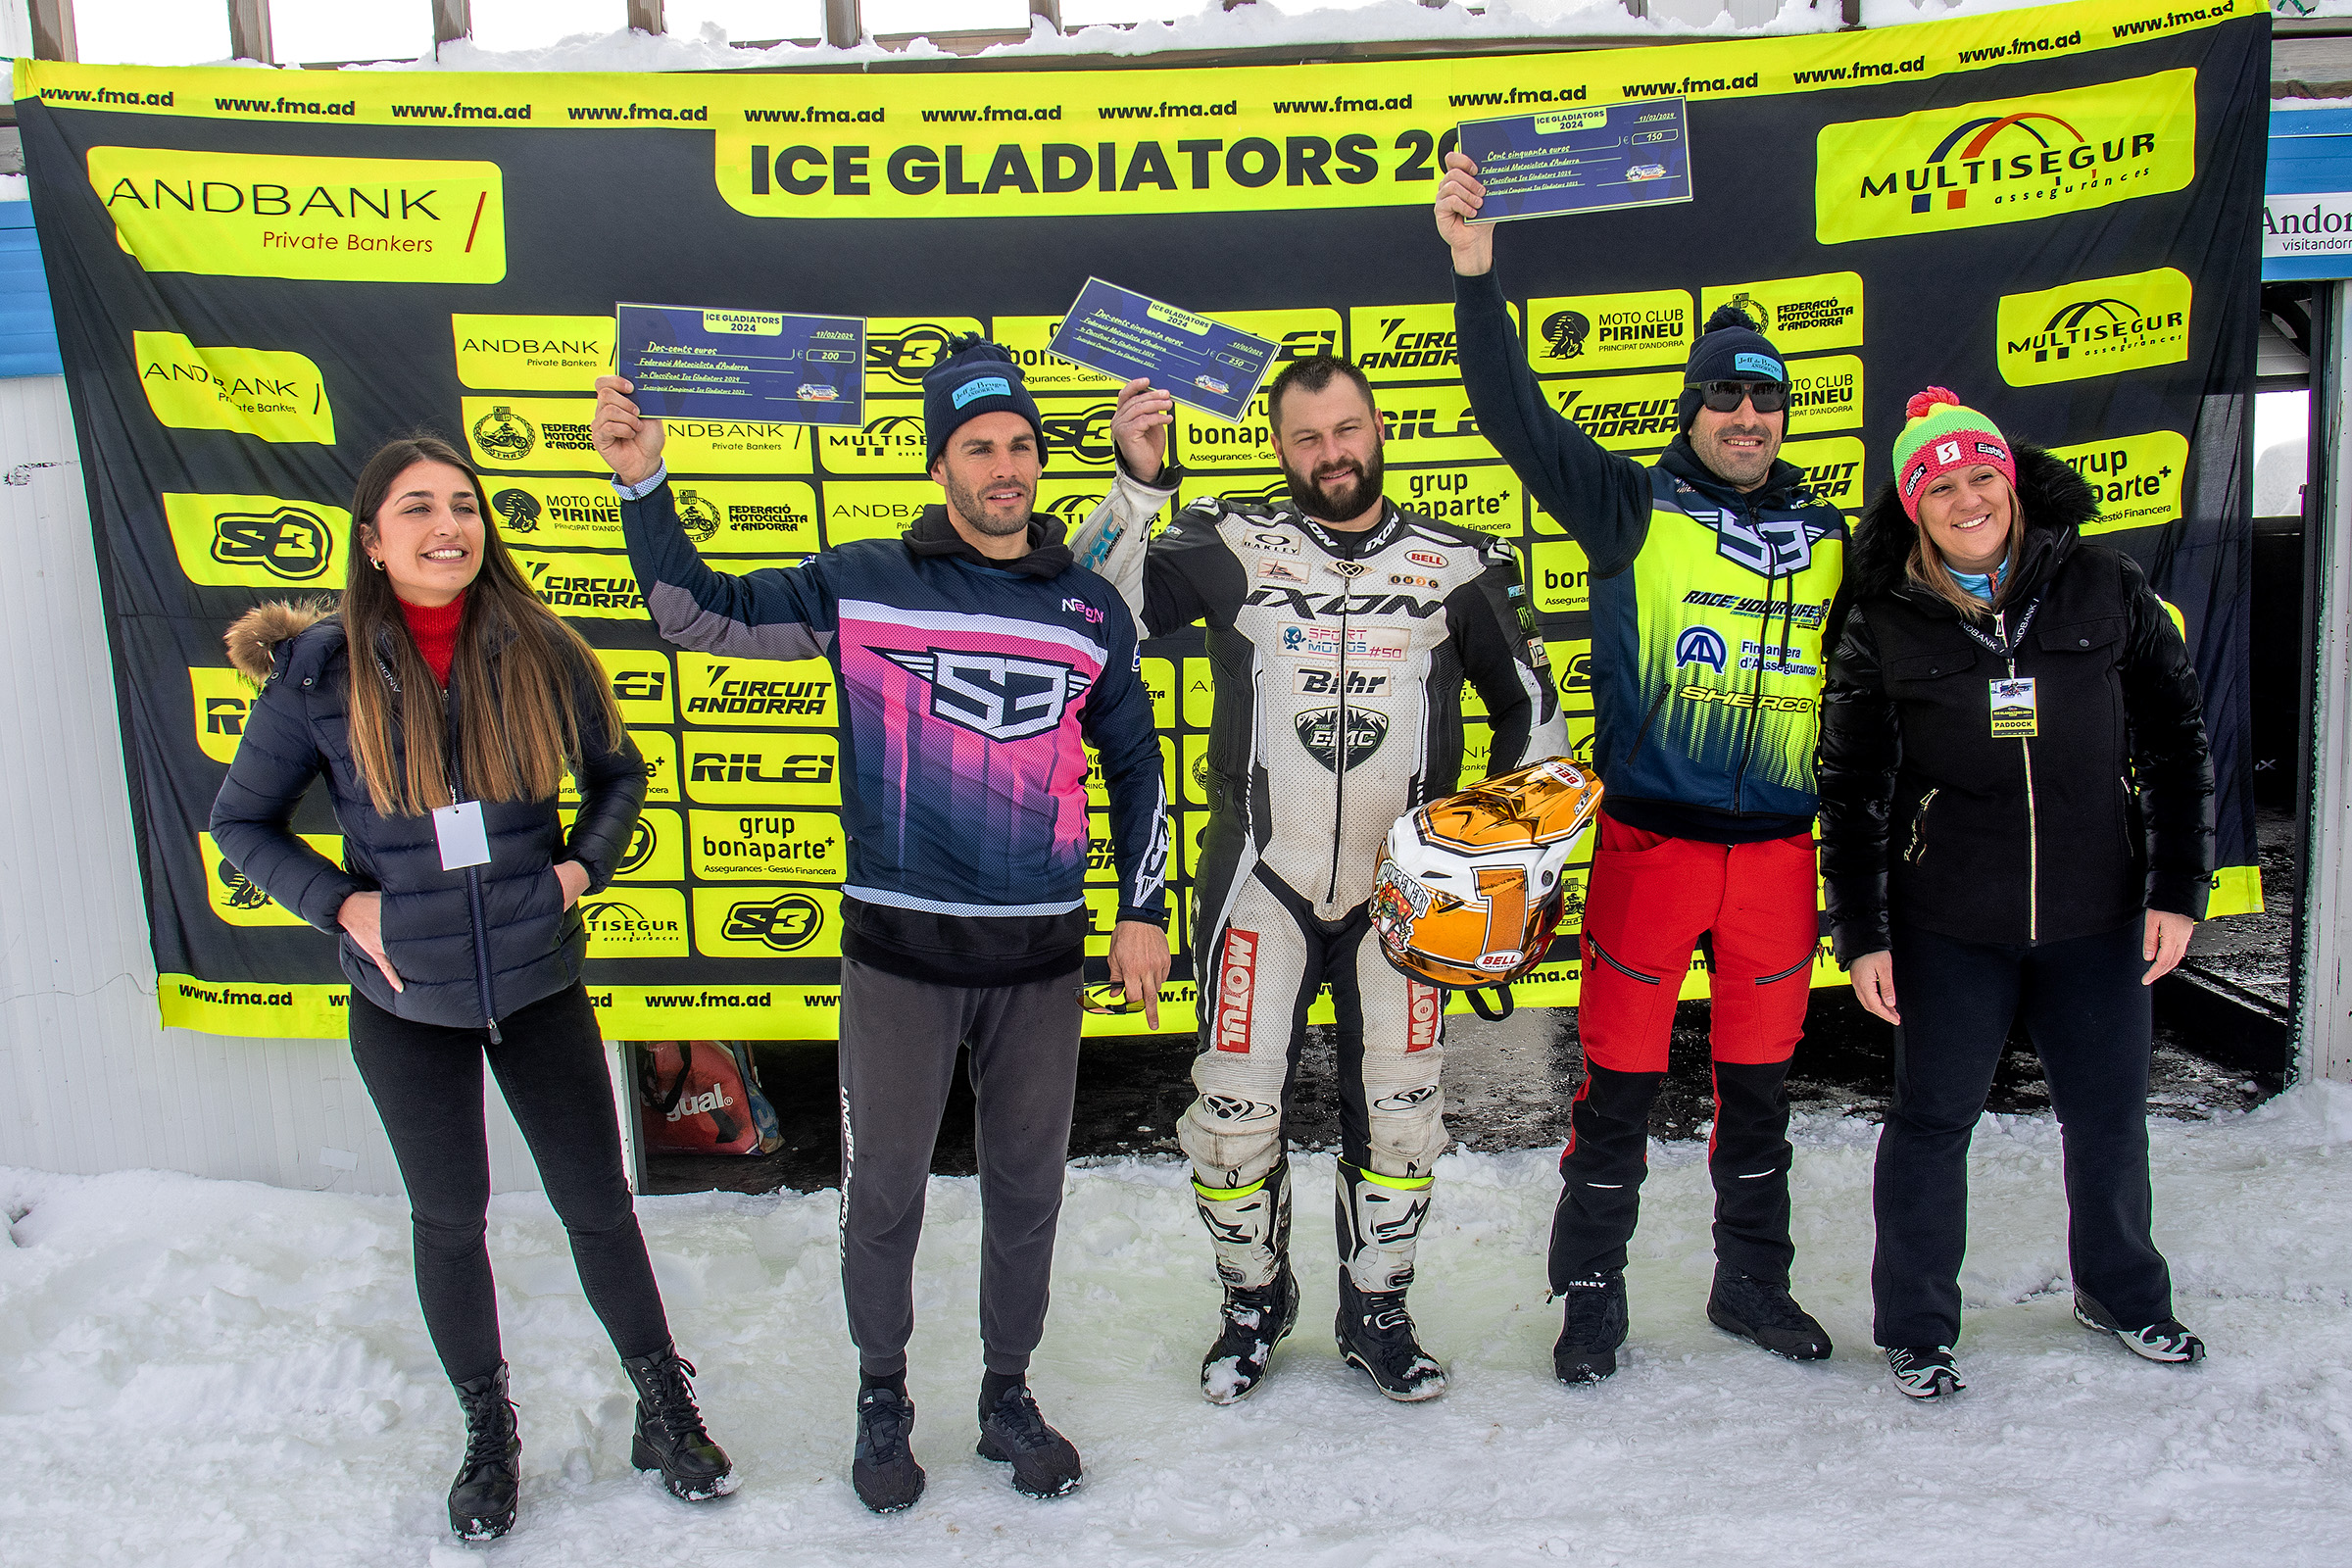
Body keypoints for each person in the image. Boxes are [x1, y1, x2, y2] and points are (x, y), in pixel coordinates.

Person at [591, 337, 1171, 1512]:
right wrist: (644, 487)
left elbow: (1134, 760)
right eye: (978, 447)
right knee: (887, 1193)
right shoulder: (863, 581)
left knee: (1027, 1189)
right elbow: (698, 617)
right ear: (940, 464)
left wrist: (1144, 909)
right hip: (900, 958)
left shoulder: (1087, 603)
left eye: (1018, 444)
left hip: (1040, 961)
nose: (1003, 466)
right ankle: (883, 1393)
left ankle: (1008, 1394)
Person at [209, 435, 733, 1543]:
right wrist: (342, 906)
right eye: (418, 508)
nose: (448, 525)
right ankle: (487, 1430)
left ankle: (663, 1408)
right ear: (373, 540)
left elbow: (620, 774)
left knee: (599, 1207)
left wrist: (584, 864)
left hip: (538, 984)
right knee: (450, 1221)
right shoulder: (317, 670)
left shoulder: (538, 646)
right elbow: (240, 822)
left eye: (463, 504)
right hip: (407, 1006)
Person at [1072, 351, 1568, 1405]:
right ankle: (1253, 1301)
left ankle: (1377, 1305)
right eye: (1306, 437)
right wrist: (1135, 485)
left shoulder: (1458, 562)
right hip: (1265, 877)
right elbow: (1094, 619)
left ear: (1376, 426)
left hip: (1406, 895)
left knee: (1401, 1110)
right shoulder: (1229, 540)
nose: (1329, 453)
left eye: (1345, 430)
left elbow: (1532, 710)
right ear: (1280, 446)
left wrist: (1503, 867)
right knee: (1234, 1107)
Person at [1437, 151, 1846, 1384]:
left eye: (1765, 399)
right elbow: (1514, 414)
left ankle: (1752, 1286)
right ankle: (1591, 1294)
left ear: (1784, 413)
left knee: (1761, 1099)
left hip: (1776, 860)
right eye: (1723, 396)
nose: (1746, 416)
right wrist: (1474, 271)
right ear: (1692, 407)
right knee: (1614, 1096)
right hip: (1653, 851)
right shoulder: (1634, 509)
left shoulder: (1832, 536)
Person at [1816, 388, 2214, 1398]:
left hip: (2101, 914)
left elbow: (2177, 741)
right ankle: (1915, 1327)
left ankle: (2123, 1292)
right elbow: (1853, 788)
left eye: (1980, 476)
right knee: (1931, 1122)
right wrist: (1863, 933)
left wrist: (2177, 886)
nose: (1966, 499)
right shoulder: (1881, 620)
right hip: (1949, 923)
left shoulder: (2102, 584)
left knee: (2112, 1115)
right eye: (1939, 486)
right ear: (1914, 505)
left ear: (2013, 481)